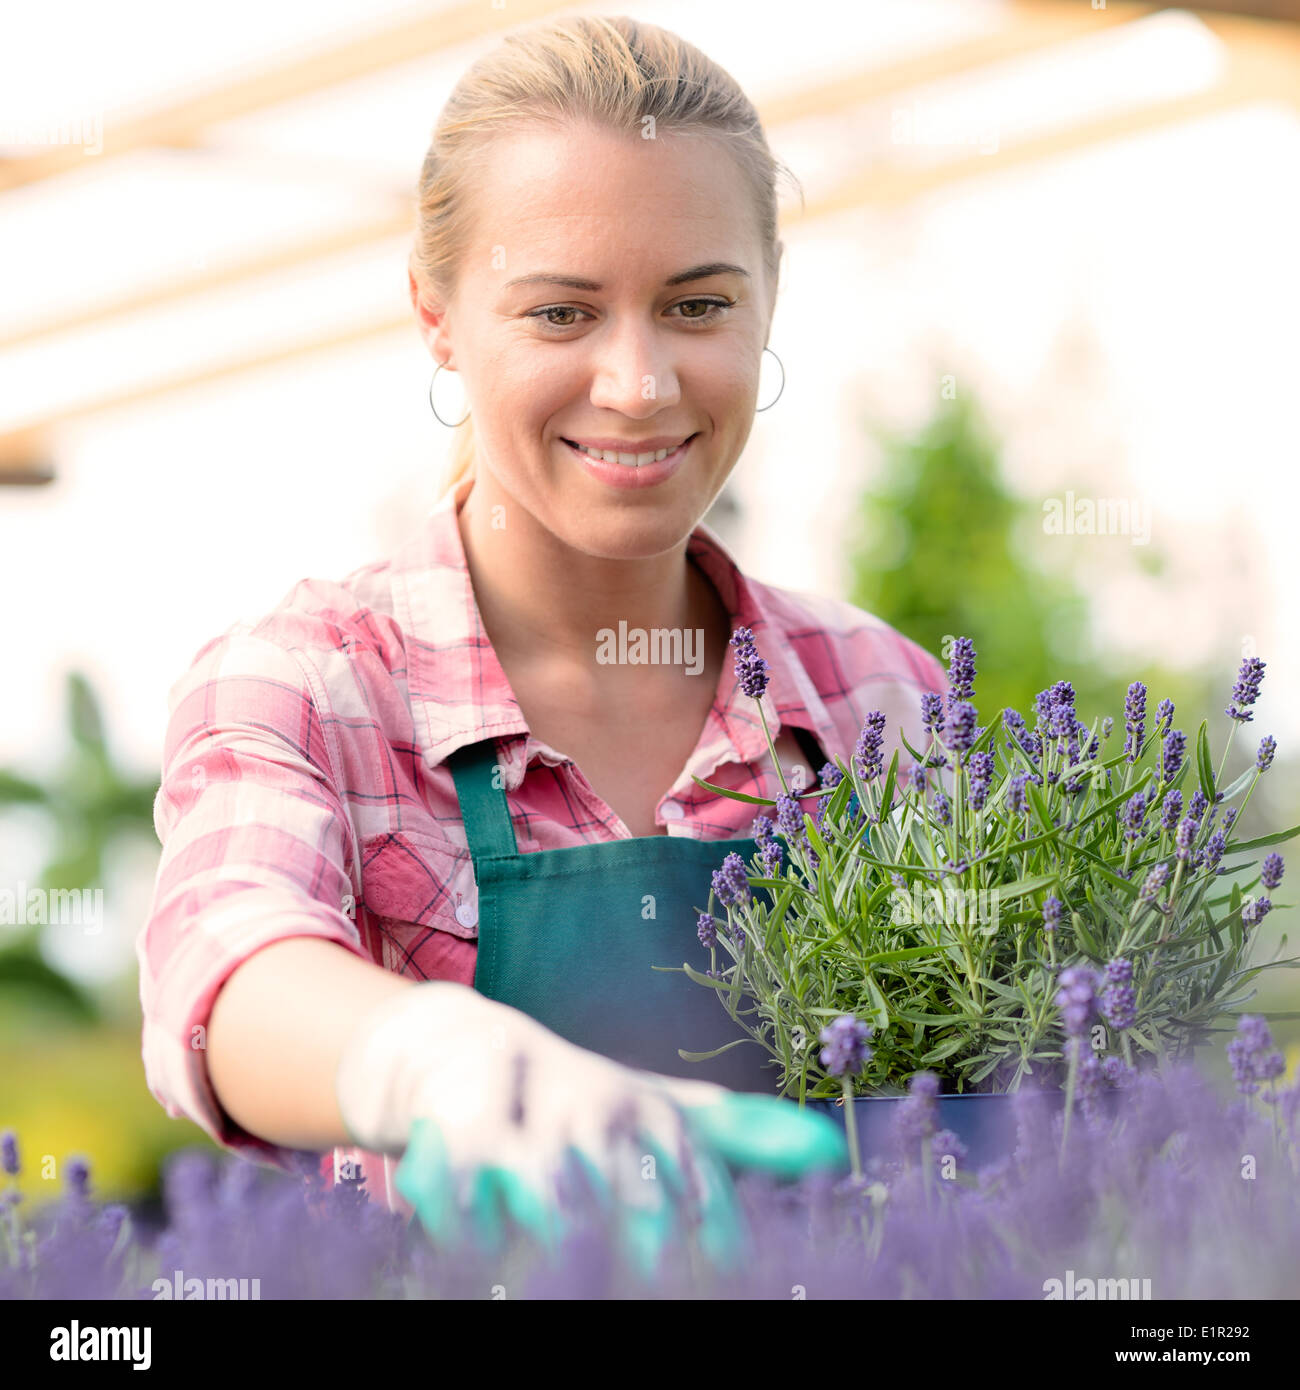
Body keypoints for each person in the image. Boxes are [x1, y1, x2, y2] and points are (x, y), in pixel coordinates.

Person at [137, 14, 948, 1277]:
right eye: (562, 313)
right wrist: (438, 1062)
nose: (637, 382)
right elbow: (230, 961)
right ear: (438, 317)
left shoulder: (882, 694)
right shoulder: (312, 679)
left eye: (696, 305)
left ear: (766, 304)